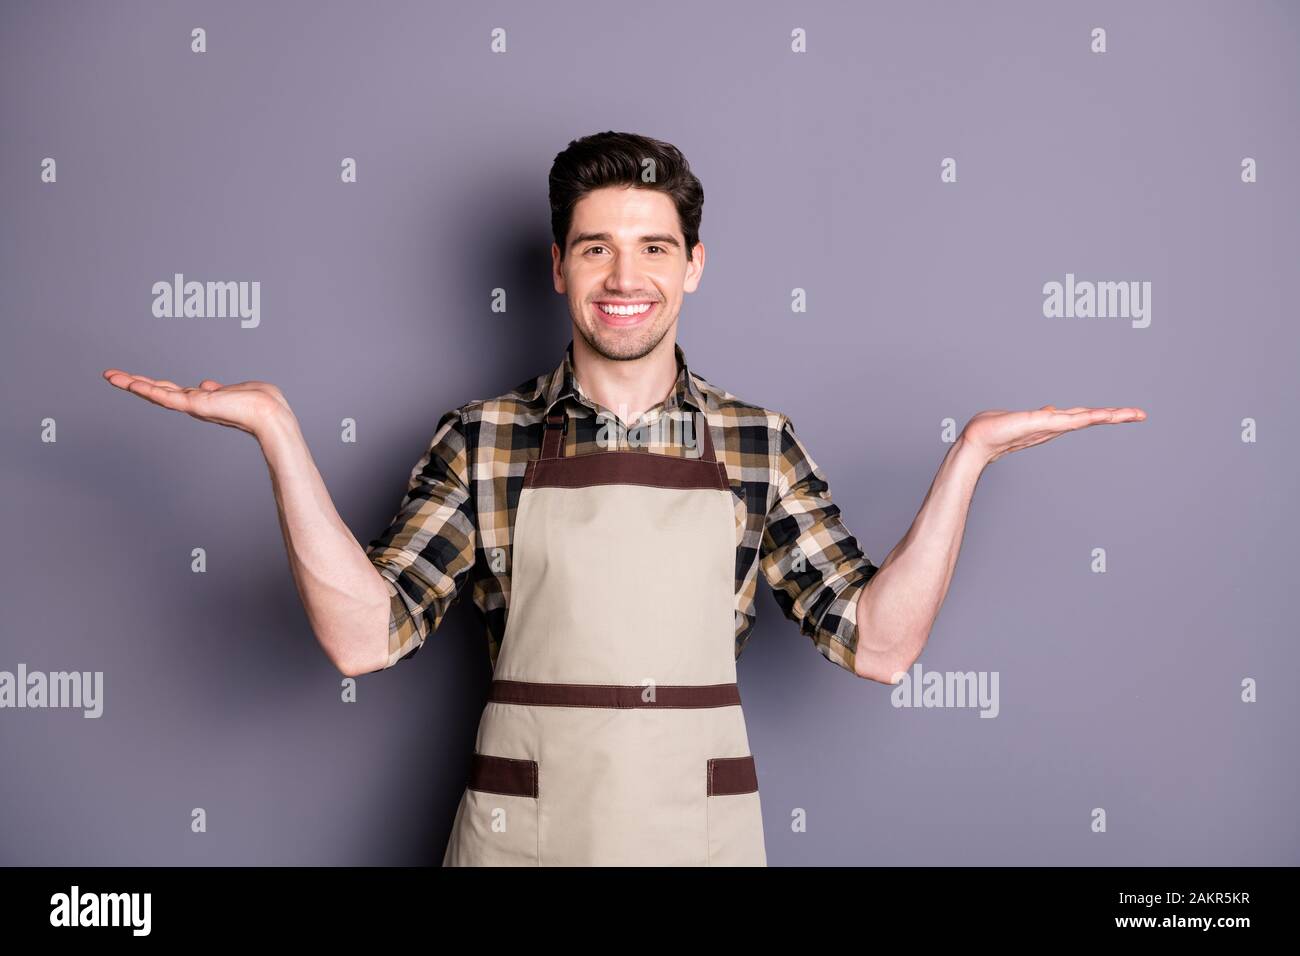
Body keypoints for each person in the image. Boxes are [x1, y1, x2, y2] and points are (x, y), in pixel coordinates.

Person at [102, 130, 1146, 866]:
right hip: (520, 841)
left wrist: (966, 459)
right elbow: (361, 637)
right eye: (595, 244)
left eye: (652, 246)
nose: (623, 273)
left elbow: (879, 644)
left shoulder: (755, 442)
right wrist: (280, 434)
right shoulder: (485, 436)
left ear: (693, 265)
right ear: (559, 267)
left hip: (697, 843)